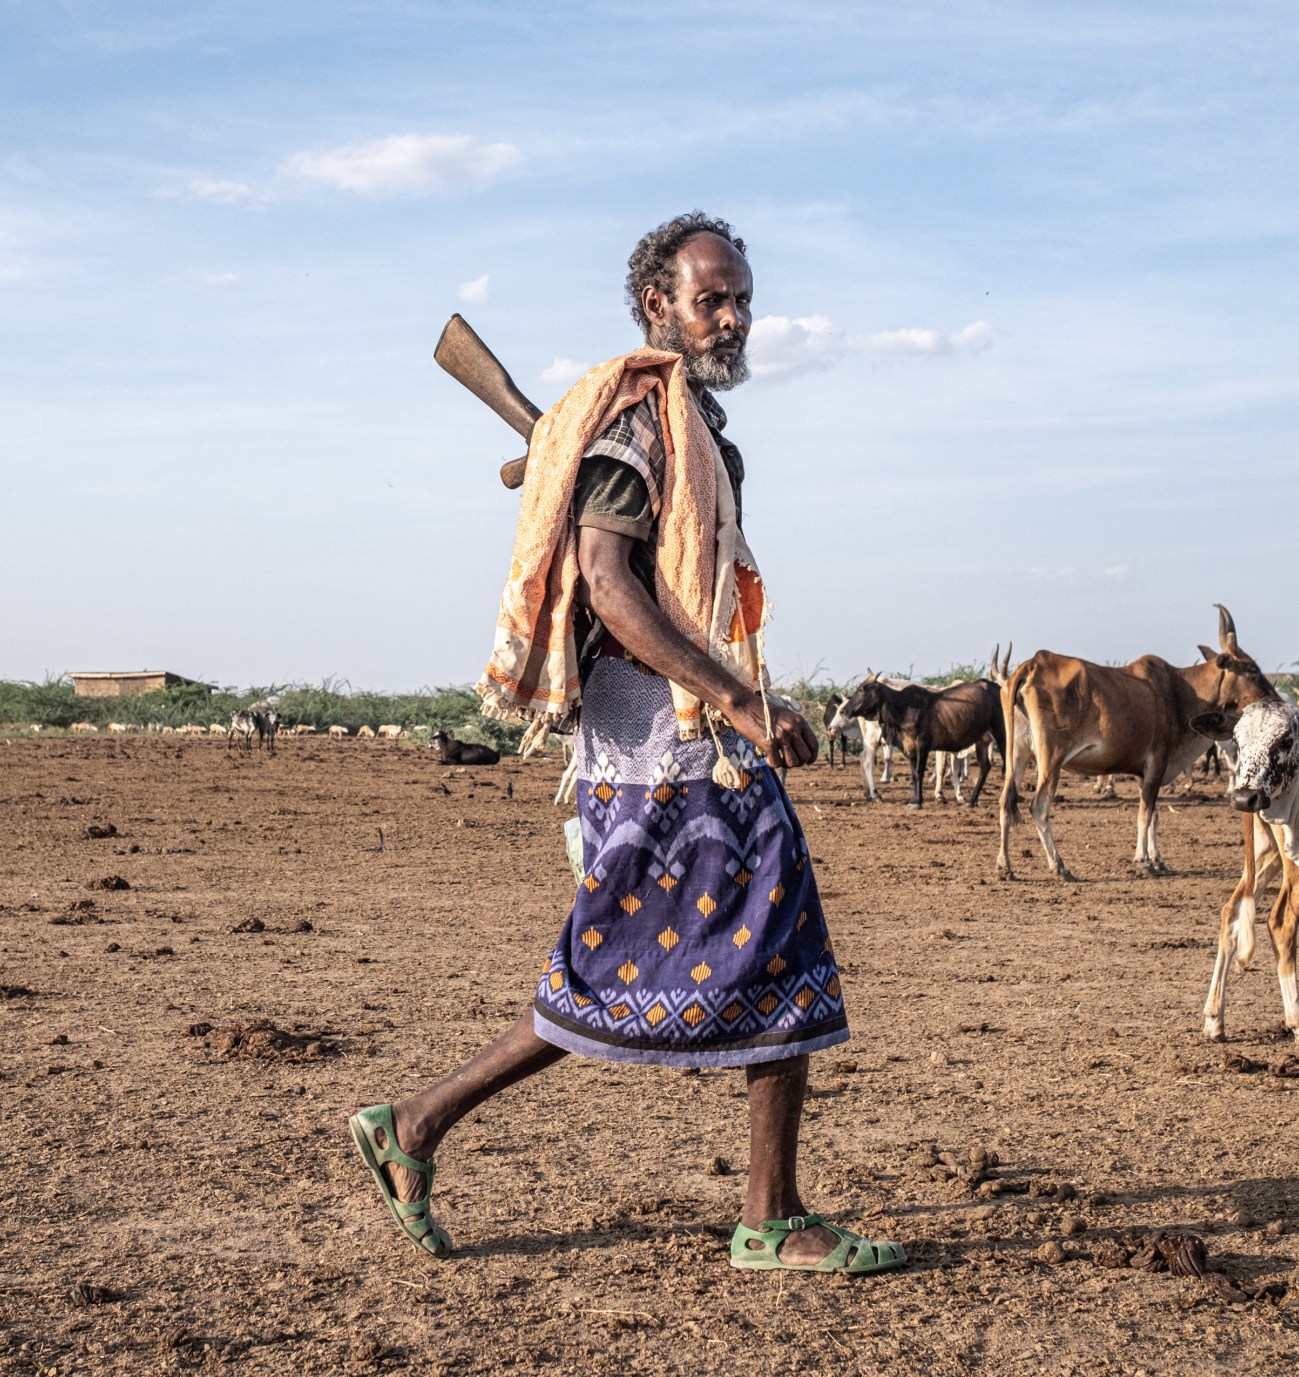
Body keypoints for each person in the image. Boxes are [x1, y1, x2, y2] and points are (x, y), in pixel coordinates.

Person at [349, 213, 905, 1275]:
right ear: (659, 305)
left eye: (742, 297)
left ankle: (421, 1125)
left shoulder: (673, 424)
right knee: (711, 956)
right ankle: (766, 1217)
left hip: (673, 747)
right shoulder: (639, 427)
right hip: (667, 750)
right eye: (714, 299)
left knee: (689, 961)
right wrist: (740, 699)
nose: (735, 316)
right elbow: (609, 582)